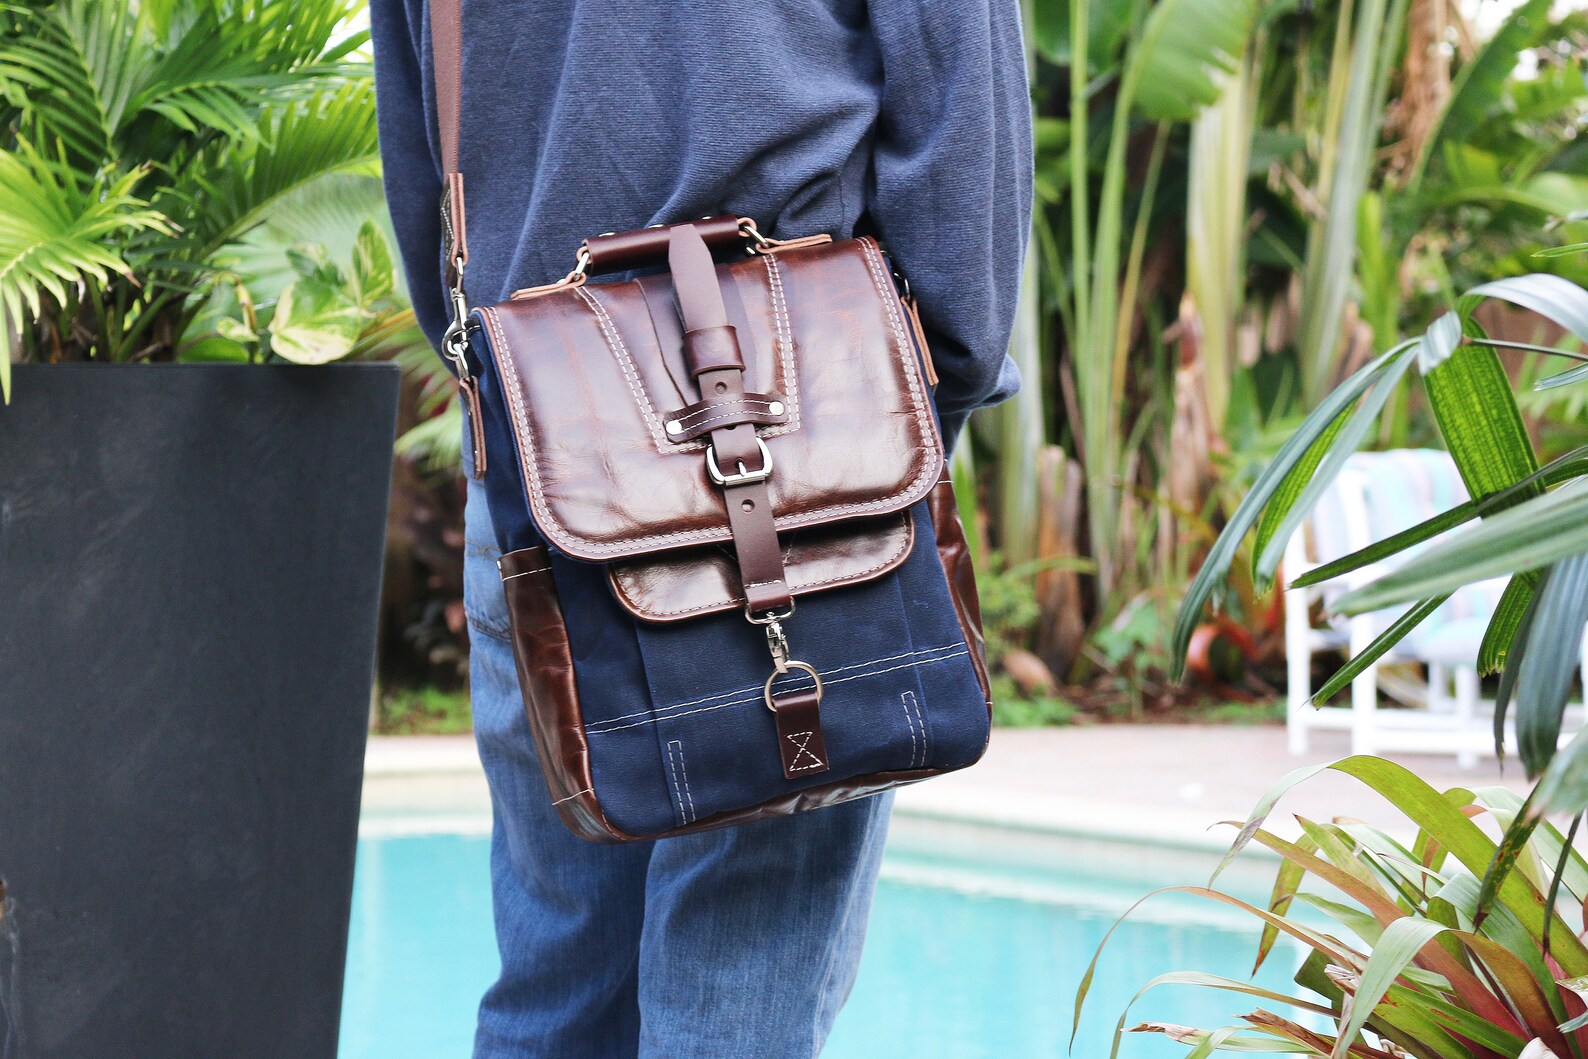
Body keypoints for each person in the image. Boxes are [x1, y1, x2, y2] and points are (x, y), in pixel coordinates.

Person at [369, 2, 1032, 1055]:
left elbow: (423, 178)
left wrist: (500, 383)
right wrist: (906, 410)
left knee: (553, 996)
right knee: (737, 1004)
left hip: (544, 455)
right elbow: (964, 128)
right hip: (801, 449)